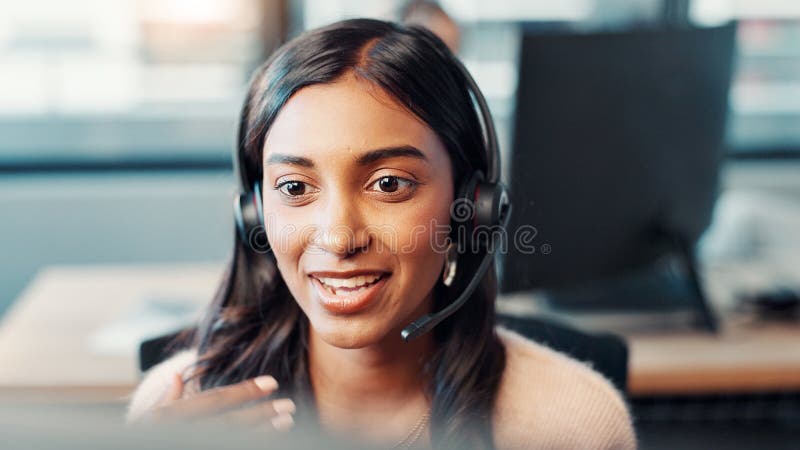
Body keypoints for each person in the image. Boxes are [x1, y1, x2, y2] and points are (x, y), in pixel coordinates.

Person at [126, 18, 637, 450]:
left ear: (468, 207)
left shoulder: (572, 426)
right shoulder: (178, 409)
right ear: (255, 214)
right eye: (296, 187)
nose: (340, 237)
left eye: (388, 184)